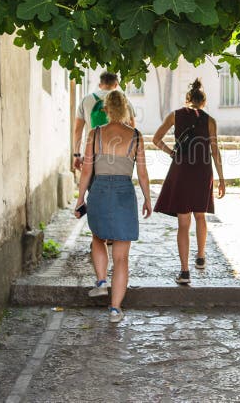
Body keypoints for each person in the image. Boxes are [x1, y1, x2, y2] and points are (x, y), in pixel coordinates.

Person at [74, 90, 152, 323]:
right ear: (126, 110)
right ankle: (115, 309)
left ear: (106, 110)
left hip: (99, 191)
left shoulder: (95, 134)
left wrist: (80, 199)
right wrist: (148, 199)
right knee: (121, 257)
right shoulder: (136, 136)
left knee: (98, 237)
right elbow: (143, 173)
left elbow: (87, 170)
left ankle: (100, 280)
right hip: (124, 193)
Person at [153, 78, 226, 285]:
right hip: (202, 171)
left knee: (183, 223)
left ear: (187, 99)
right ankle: (201, 257)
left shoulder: (175, 116)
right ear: (203, 102)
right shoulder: (210, 120)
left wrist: (172, 153)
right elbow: (215, 151)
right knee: (200, 216)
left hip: (181, 170)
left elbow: (156, 139)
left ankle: (184, 272)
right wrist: (221, 178)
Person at [73, 71, 136, 171]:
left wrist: (76, 155)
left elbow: (77, 130)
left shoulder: (85, 100)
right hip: (118, 155)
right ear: (116, 85)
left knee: (93, 185)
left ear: (100, 84)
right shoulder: (124, 100)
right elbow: (132, 128)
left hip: (92, 154)